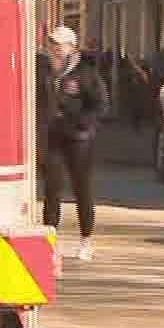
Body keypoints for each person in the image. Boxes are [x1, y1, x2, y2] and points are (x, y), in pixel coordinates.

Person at [38, 26, 106, 260]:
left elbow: (98, 104)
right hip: (52, 136)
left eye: (62, 44)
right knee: (52, 189)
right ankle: (51, 241)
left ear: (72, 47)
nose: (56, 48)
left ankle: (86, 239)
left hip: (78, 138)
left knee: (82, 189)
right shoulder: (41, 69)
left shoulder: (85, 72)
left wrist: (84, 125)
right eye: (53, 43)